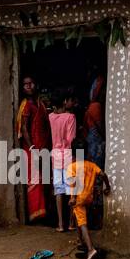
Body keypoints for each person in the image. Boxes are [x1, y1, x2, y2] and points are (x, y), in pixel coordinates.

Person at [15, 77, 52, 223]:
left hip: (43, 147)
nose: (29, 86)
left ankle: (45, 213)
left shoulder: (39, 104)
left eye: (31, 83)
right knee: (35, 180)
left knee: (44, 180)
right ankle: (36, 216)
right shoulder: (26, 105)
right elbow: (24, 128)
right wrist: (32, 147)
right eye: (25, 84)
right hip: (31, 148)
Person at [65, 154, 110, 259]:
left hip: (78, 198)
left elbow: (74, 182)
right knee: (78, 217)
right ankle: (80, 241)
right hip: (88, 197)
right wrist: (108, 187)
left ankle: (90, 249)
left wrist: (73, 197)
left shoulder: (72, 166)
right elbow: (103, 174)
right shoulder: (91, 165)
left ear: (74, 155)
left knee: (82, 222)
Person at [49, 93, 79, 232]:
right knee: (72, 189)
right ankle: (71, 223)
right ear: (65, 101)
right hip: (68, 155)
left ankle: (61, 224)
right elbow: (71, 138)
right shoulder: (70, 117)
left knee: (58, 190)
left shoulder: (51, 117)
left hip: (55, 155)